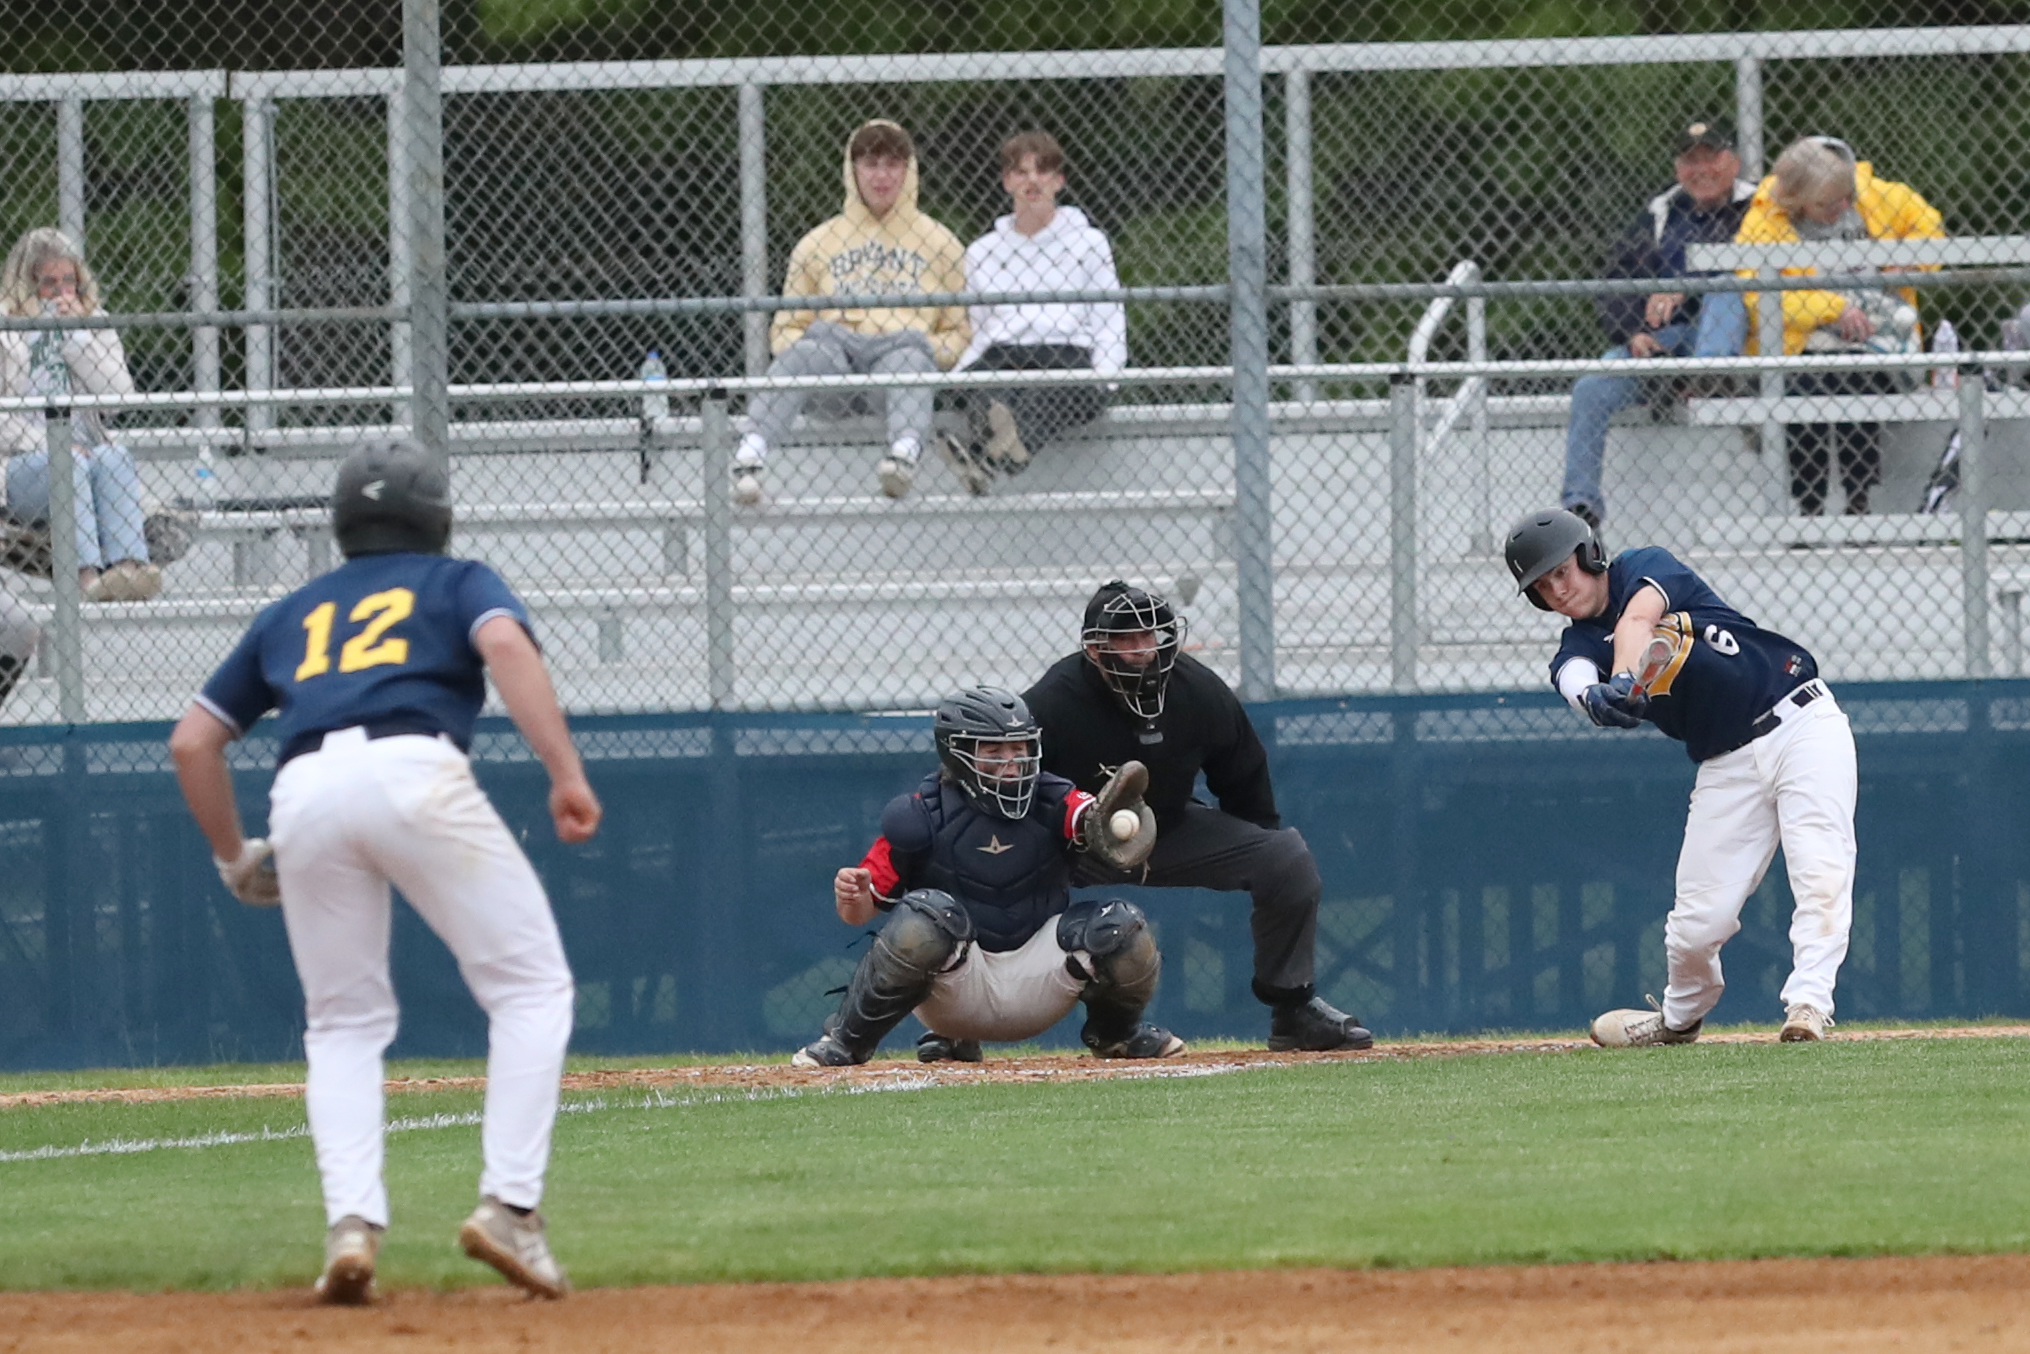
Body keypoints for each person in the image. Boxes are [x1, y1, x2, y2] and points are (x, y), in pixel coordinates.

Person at [167, 440, 600, 1304]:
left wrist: (233, 857)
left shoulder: (294, 607)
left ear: (342, 521)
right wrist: (565, 772)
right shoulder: (457, 580)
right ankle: (510, 1207)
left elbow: (194, 740)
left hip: (305, 789)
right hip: (414, 768)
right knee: (529, 988)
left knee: (342, 1023)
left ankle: (350, 1227)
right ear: (435, 517)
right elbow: (506, 646)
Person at [1502, 508, 1856, 1047]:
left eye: (1562, 570)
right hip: (1727, 762)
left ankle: (1808, 1004)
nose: (1557, 588)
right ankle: (1678, 1019)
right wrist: (1594, 701)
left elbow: (1637, 623)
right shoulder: (1575, 650)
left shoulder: (1645, 567)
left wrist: (1621, 678)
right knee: (1695, 924)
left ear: (1589, 554)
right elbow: (1572, 680)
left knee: (1820, 870)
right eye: (1543, 584)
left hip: (1801, 721)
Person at [1022, 582, 1373, 1052]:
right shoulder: (1053, 700)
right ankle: (961, 1024)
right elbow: (1019, 792)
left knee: (1284, 858)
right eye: (1126, 640)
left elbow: (1244, 774)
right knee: (992, 869)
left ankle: (1292, 1008)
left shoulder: (1197, 689)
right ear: (1094, 649)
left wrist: (1255, 847)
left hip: (1170, 828)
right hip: (1076, 840)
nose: (1142, 650)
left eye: (1151, 636)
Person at [794, 685, 1181, 1067]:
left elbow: (1087, 815)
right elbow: (858, 915)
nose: (1011, 763)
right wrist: (851, 896)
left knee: (1122, 925)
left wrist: (1109, 820)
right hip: (954, 988)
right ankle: (847, 1042)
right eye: (994, 753)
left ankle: (1117, 1035)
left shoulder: (1053, 796)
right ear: (957, 755)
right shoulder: (920, 814)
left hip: (1042, 981)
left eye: (1020, 749)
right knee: (926, 914)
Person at [734, 120, 970, 505]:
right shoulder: (817, 243)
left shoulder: (940, 243)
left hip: (897, 360)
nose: (881, 176)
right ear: (852, 170)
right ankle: (750, 456)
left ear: (908, 171)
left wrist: (926, 349)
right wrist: (818, 339)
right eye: (870, 164)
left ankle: (904, 456)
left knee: (909, 358)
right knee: (807, 352)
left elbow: (959, 331)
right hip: (834, 364)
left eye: (893, 164)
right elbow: (785, 331)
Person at [1560, 120, 1756, 531]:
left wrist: (1684, 289)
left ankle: (1709, 376)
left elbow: (1760, 266)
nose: (1701, 168)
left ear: (1733, 161)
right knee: (1592, 387)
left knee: (1727, 286)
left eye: (1711, 157)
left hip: (1741, 339)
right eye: (1690, 159)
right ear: (1676, 167)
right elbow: (1616, 283)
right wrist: (1634, 332)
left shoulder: (1760, 207)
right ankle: (1580, 506)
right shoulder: (1661, 213)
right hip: (1669, 341)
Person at [1734, 136, 1945, 515]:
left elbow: (1929, 225)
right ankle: (1810, 504)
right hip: (1801, 343)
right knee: (1805, 391)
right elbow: (1759, 296)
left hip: (1872, 340)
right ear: (1797, 198)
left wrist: (1906, 263)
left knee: (1858, 383)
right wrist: (1833, 308)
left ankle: (1858, 500)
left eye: (1845, 197)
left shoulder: (1874, 194)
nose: (1842, 207)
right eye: (1827, 204)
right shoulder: (1765, 218)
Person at [935, 131, 1126, 496]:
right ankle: (1004, 452)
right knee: (978, 389)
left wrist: (1105, 377)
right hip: (1005, 354)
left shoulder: (1089, 243)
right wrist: (962, 375)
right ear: (1007, 182)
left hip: (1064, 352)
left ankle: (981, 455)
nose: (1032, 180)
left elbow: (1109, 319)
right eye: (1021, 172)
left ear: (1059, 181)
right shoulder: (982, 251)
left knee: (1052, 389)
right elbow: (982, 326)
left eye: (1042, 171)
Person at [0, 228, 159, 601]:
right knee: (70, 463)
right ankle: (85, 577)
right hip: (21, 464)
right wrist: (54, 444)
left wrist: (77, 339)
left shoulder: (93, 322)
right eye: (49, 283)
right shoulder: (6, 328)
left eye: (69, 281)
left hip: (90, 458)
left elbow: (119, 399)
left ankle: (127, 570)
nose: (61, 292)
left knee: (115, 455)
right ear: (26, 283)